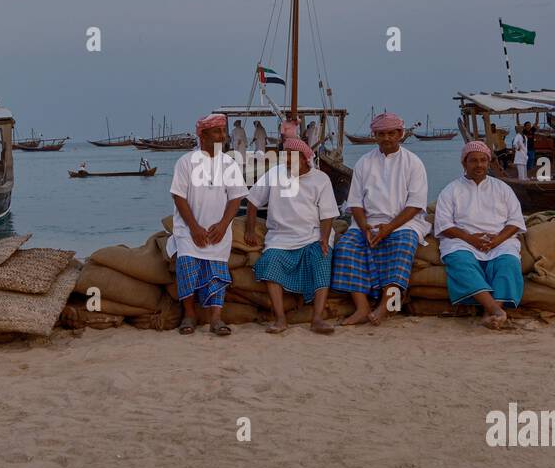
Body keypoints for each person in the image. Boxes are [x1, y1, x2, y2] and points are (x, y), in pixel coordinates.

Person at [330, 111, 429, 326]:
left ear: (400, 134)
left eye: (391, 133)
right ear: (375, 136)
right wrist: (365, 226)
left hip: (404, 223)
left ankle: (387, 306)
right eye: (381, 134)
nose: (386, 138)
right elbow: (354, 202)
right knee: (345, 248)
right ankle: (362, 307)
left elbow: (416, 205)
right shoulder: (364, 163)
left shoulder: (414, 163)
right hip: (366, 223)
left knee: (402, 247)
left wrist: (389, 228)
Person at [244, 137, 339, 335]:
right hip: (280, 237)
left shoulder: (320, 179)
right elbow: (252, 201)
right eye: (285, 157)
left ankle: (317, 318)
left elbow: (328, 215)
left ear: (305, 159)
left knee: (322, 257)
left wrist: (324, 238)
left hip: (312, 235)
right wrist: (250, 230)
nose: (287, 161)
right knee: (270, 262)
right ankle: (280, 319)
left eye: (291, 157)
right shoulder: (274, 174)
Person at [433, 140, 526, 329]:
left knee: (508, 263)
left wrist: (496, 240)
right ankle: (495, 310)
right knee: (460, 261)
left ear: (489, 162)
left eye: (483, 160)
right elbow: (443, 225)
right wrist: (471, 239)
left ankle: (489, 313)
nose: (479, 165)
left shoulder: (502, 188)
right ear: (464, 163)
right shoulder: (451, 190)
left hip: (499, 240)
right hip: (462, 240)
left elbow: (515, 221)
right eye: (473, 160)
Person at [170, 113, 247, 336]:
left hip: (217, 232)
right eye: (217, 131)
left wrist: (223, 225)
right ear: (203, 135)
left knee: (217, 272)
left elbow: (236, 199)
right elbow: (179, 197)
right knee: (186, 266)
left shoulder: (229, 163)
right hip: (188, 230)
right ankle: (189, 315)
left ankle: (216, 319)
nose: (222, 136)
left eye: (223, 131)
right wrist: (193, 228)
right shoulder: (186, 162)